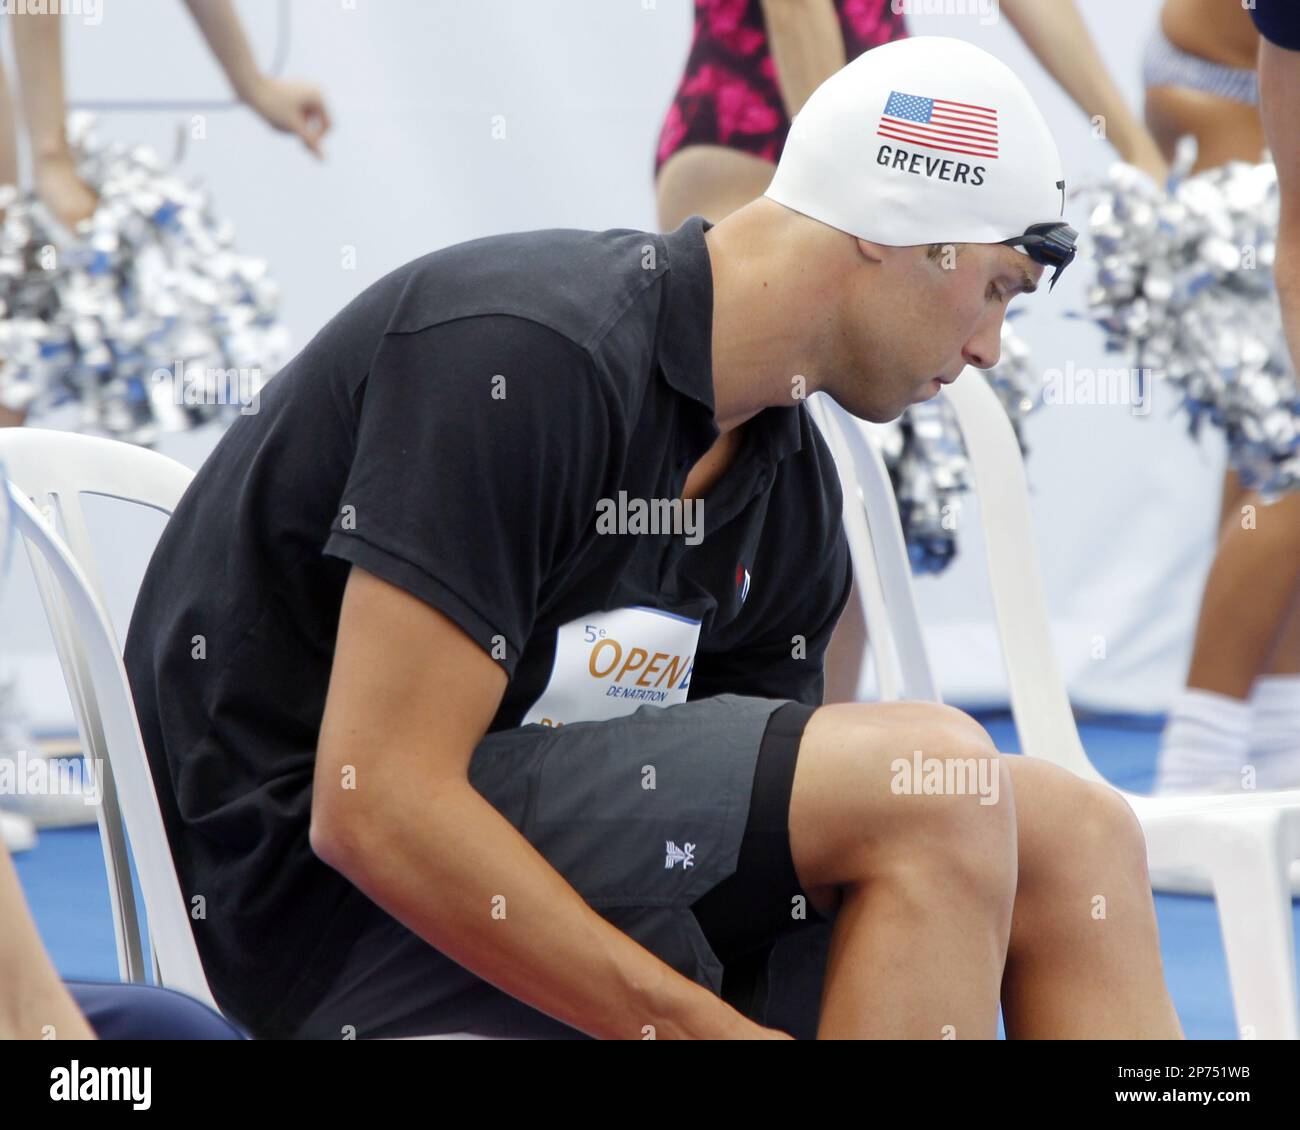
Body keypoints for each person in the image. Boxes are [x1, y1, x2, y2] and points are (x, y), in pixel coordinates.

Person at [124, 37, 1182, 1040]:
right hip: (306, 902)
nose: (993, 346)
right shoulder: (521, 356)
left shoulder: (788, 487)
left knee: (1070, 831)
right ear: (889, 222)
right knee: (932, 775)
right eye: (997, 286)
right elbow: (375, 807)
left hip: (534, 857)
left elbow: (761, 852)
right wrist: (690, 1028)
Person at [655, 1, 1170, 703]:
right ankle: (699, 728)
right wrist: (852, 188)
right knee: (753, 452)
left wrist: (1135, 144)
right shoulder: (854, 169)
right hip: (763, 127)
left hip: (889, 143)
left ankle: (804, 739)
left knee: (869, 493)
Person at [1144, 0, 1300, 795]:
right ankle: (1197, 772)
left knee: (1270, 464)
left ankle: (1271, 759)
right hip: (1240, 113)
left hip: (1233, 91)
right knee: (1289, 467)